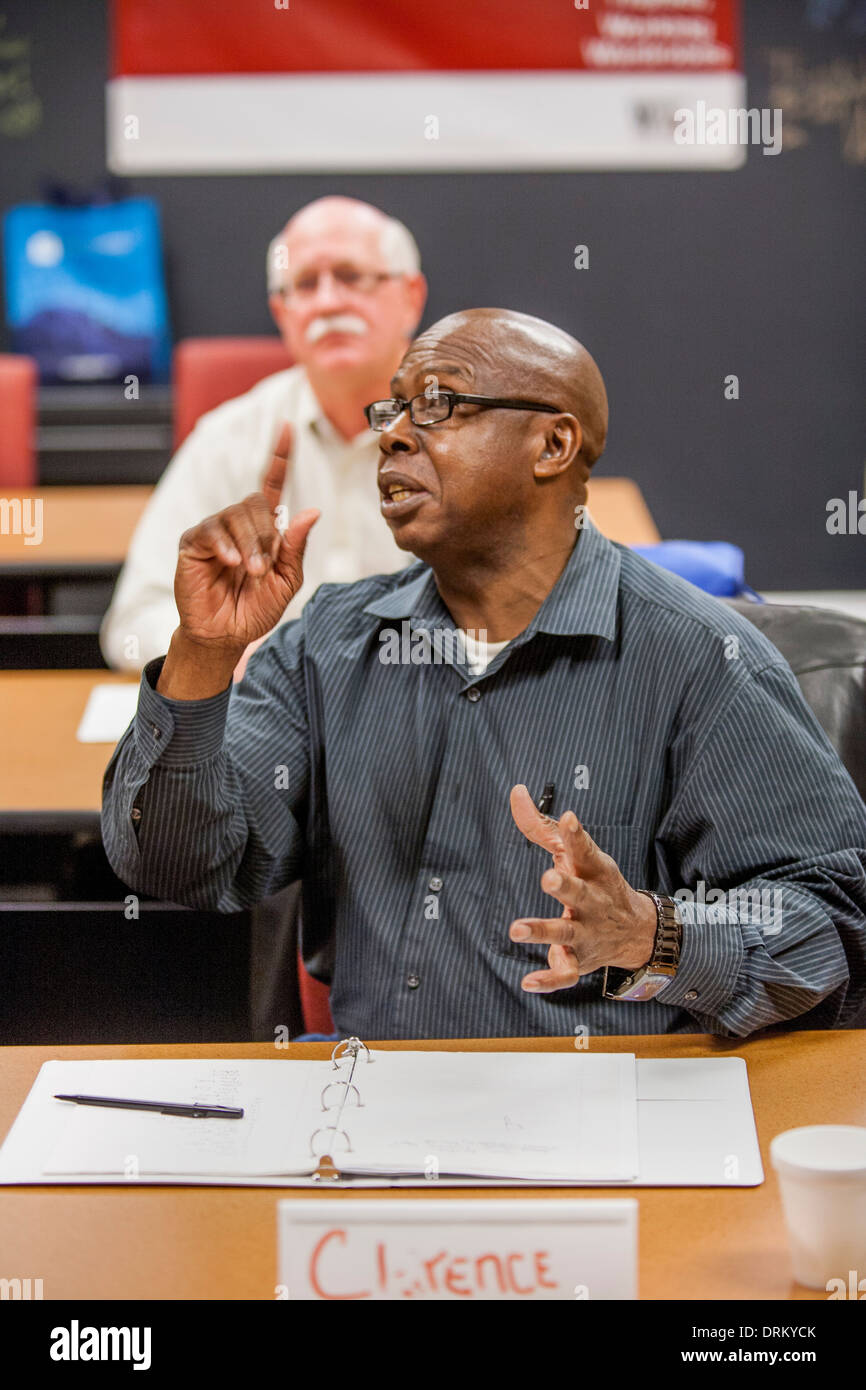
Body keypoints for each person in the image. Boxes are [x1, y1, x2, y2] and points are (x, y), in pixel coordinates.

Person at [101, 308, 866, 1039]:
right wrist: (204, 652)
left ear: (553, 446)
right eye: (390, 410)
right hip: (375, 1106)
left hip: (608, 1115)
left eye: (437, 404)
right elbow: (178, 866)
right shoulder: (328, 643)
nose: (393, 436)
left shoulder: (702, 659)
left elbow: (830, 921)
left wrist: (652, 935)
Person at [99, 195, 427, 672]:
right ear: (282, 313)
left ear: (411, 297)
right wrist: (228, 649)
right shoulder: (228, 437)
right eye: (306, 284)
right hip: (268, 714)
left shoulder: (472, 432)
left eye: (353, 277)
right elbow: (132, 623)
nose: (330, 302)